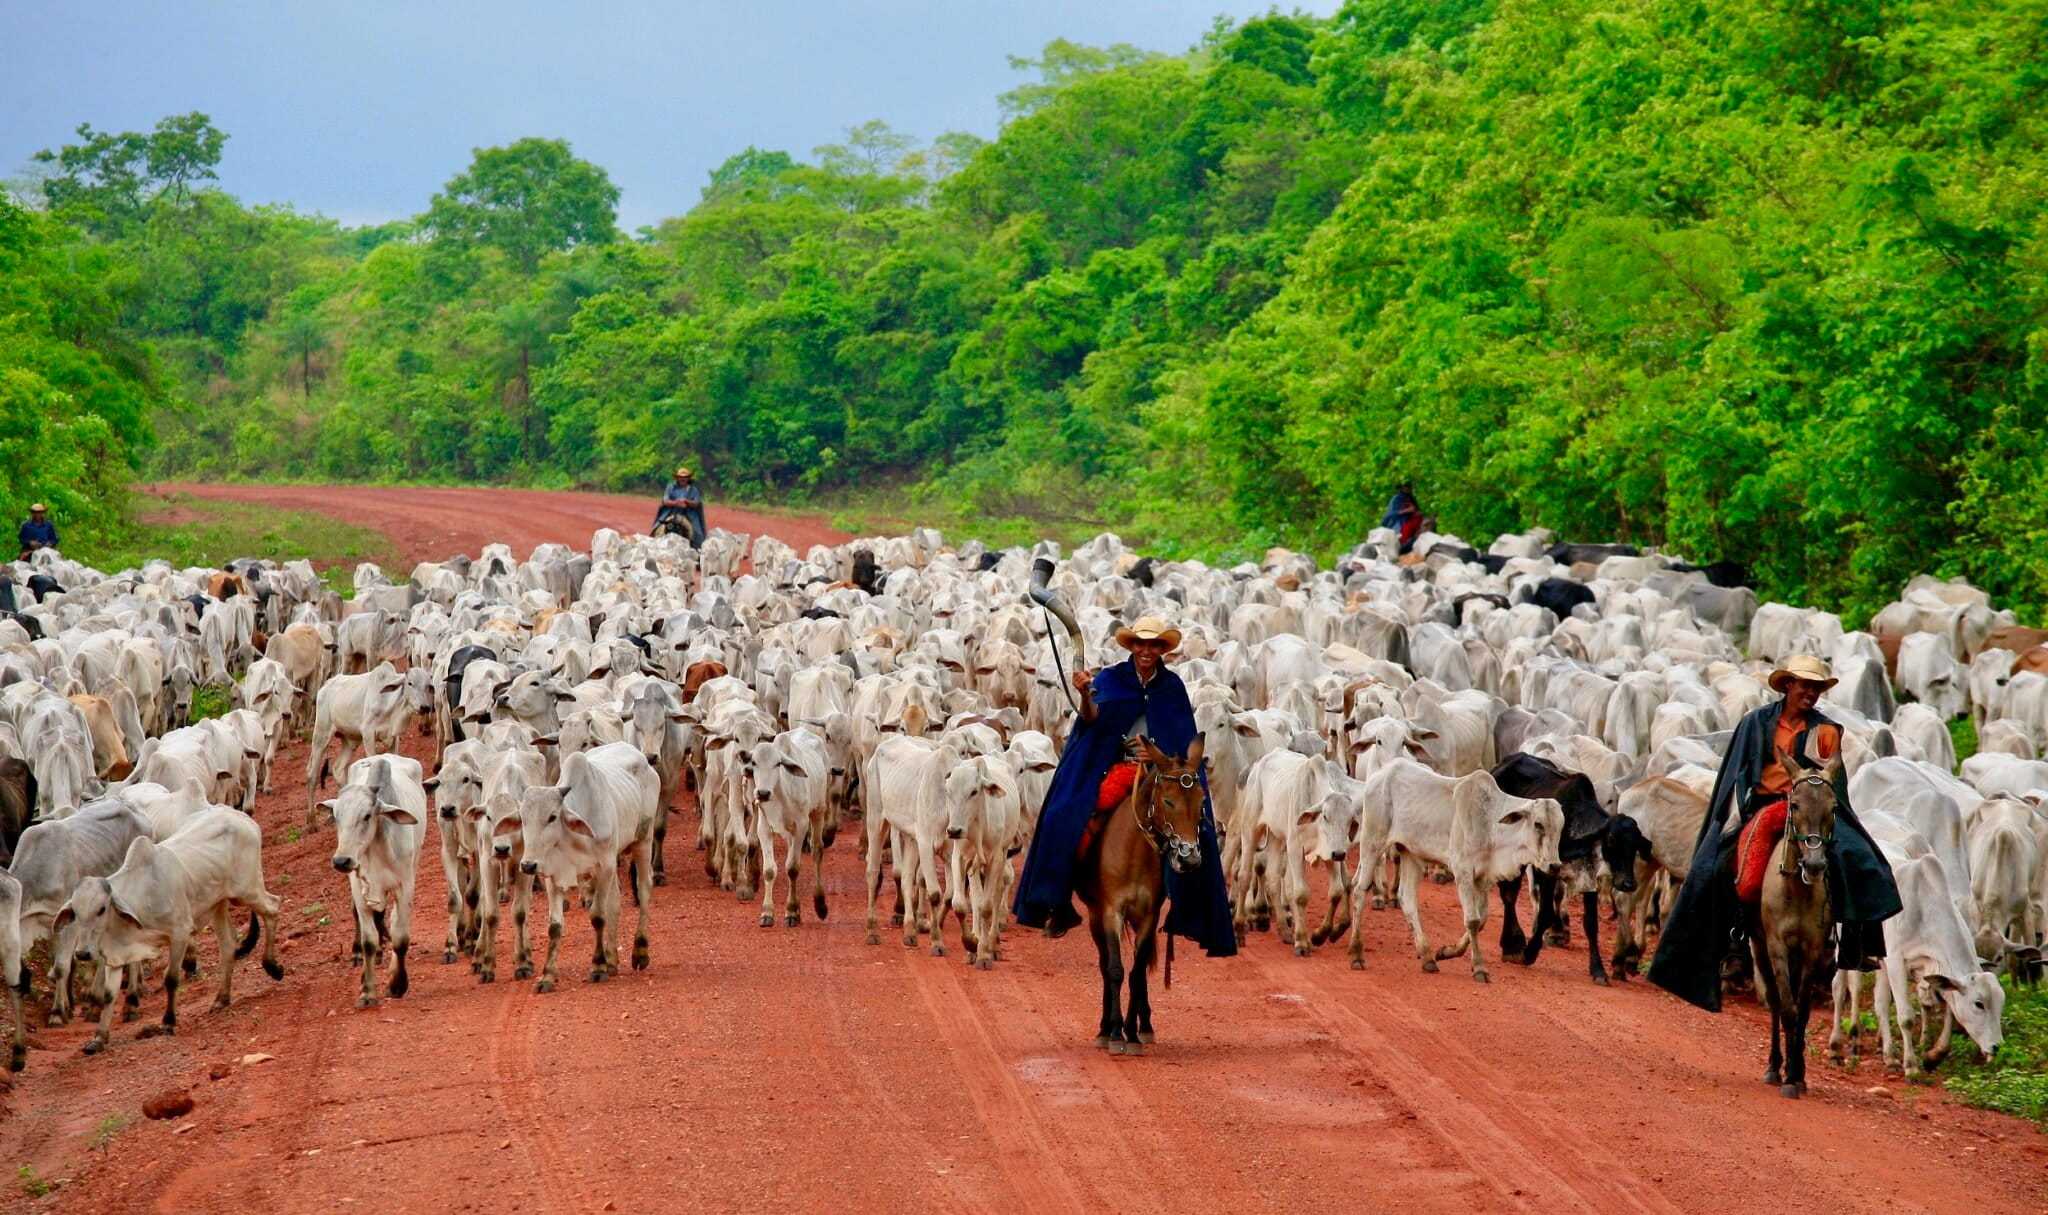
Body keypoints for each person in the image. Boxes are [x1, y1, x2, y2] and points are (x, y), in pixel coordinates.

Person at [1646, 654, 1902, 1011]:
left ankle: (1854, 943)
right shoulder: (1756, 723)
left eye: (1816, 687)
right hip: (1766, 807)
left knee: (1860, 858)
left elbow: (1830, 778)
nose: (1810, 692)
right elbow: (1738, 774)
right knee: (1713, 867)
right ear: (1787, 685)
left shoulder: (1824, 730)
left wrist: (1817, 805)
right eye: (1804, 685)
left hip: (1810, 809)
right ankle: (1730, 940)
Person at [1012, 616, 1237, 958]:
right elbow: (1091, 720)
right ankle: (1059, 901)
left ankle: (1193, 913)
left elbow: (1181, 741)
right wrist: (1085, 694)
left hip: (1162, 773)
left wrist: (1156, 751)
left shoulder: (1172, 687)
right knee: (1063, 815)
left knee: (1198, 826)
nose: (1146, 651)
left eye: (1154, 645)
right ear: (1132, 646)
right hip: (1113, 763)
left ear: (1162, 649)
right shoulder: (1111, 679)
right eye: (1140, 644)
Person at [654, 467, 705, 547]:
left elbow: (697, 503)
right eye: (681, 477)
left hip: (688, 515)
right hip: (671, 513)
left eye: (685, 477)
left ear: (688, 478)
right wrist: (676, 503)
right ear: (677, 478)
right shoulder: (670, 487)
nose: (683, 479)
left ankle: (698, 551)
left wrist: (686, 501)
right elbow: (665, 501)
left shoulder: (693, 490)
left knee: (698, 535)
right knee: (658, 530)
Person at [1381, 482, 1423, 555]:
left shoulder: (1412, 498)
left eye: (1410, 486)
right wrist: (1407, 510)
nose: (1409, 488)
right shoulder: (1396, 499)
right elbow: (1390, 514)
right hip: (1399, 523)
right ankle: (1402, 549)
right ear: (1401, 488)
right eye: (1406, 486)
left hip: (1412, 521)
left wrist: (1417, 512)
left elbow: (1417, 510)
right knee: (1406, 529)